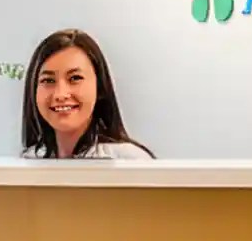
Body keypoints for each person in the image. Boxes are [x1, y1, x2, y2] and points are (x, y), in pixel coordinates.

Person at [21, 29, 154, 159]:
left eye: (75, 78)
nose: (60, 94)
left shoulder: (131, 161)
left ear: (100, 86)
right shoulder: (29, 160)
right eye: (48, 80)